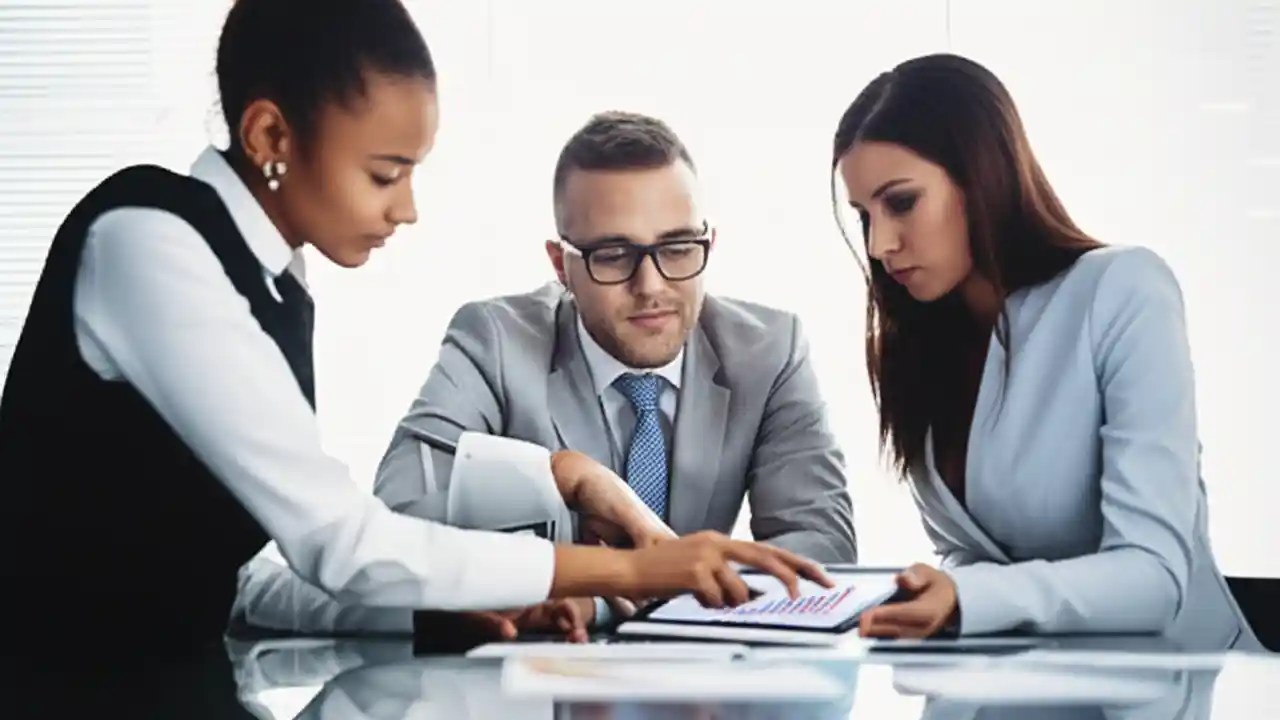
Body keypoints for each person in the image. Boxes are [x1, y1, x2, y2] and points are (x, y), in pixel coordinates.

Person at [0, 0, 826, 652]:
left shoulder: (272, 283)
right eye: (385, 173)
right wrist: (635, 565)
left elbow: (244, 579)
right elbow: (346, 542)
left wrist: (438, 615)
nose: (408, 208)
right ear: (271, 136)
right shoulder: (150, 244)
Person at [233, 110, 856, 637]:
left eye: (676, 249)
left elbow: (820, 556)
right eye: (612, 255)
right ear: (561, 264)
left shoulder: (771, 349)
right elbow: (403, 505)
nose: (652, 286)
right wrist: (566, 492)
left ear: (709, 246)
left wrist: (600, 599)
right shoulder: (496, 339)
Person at [829, 53, 1261, 650]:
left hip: (1168, 689)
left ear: (981, 174)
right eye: (863, 216)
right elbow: (971, 549)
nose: (880, 244)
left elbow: (1155, 576)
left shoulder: (1121, 290)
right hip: (1016, 687)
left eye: (901, 203)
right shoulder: (922, 343)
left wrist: (965, 597)